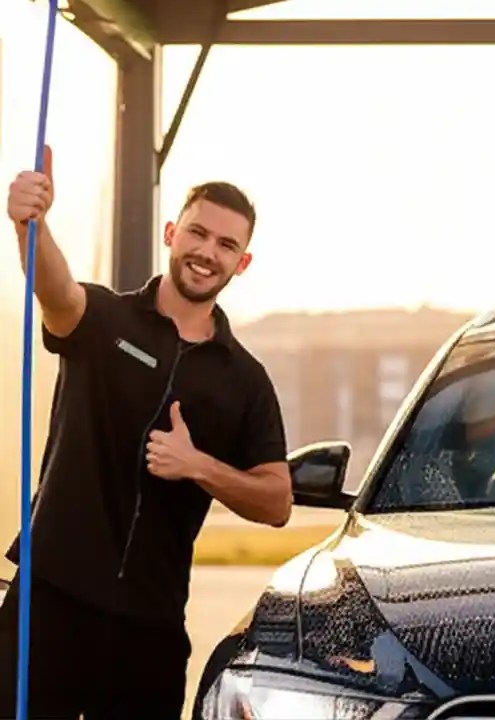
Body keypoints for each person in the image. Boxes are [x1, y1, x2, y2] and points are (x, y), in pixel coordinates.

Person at [0, 146, 292, 717]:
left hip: (149, 629)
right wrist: (30, 226)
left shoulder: (245, 380)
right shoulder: (104, 319)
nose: (207, 252)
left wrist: (198, 466)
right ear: (171, 234)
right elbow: (56, 293)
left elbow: (277, 500)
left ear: (242, 263)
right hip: (49, 603)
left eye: (226, 244)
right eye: (197, 233)